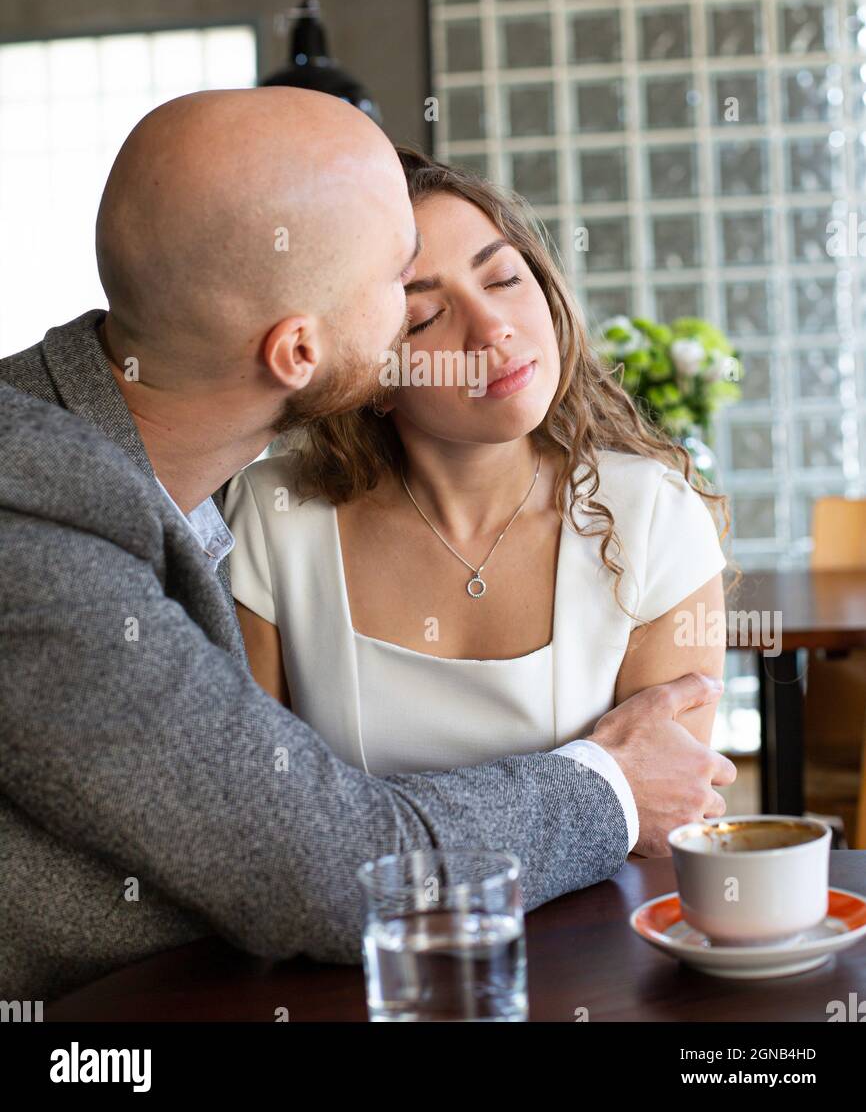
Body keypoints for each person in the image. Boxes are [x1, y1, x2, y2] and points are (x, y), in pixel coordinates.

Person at [0, 88, 735, 1004]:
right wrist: (611, 786)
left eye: (502, 275)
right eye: (403, 290)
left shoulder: (129, 478)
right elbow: (326, 870)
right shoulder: (40, 520)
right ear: (299, 353)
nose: (486, 326)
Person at [225, 146, 732, 777]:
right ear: (368, 373)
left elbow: (658, 826)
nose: (492, 328)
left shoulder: (655, 517)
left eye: (503, 280)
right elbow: (259, 813)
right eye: (426, 316)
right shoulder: (273, 519)